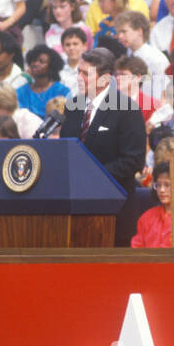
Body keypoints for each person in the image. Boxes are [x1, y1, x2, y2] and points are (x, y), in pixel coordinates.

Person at [59, 48, 146, 245]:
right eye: (78, 72)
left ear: (105, 78)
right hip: (74, 211)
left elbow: (133, 160)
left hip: (113, 211)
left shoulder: (127, 109)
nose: (79, 78)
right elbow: (65, 151)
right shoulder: (73, 106)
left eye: (85, 73)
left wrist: (91, 177)